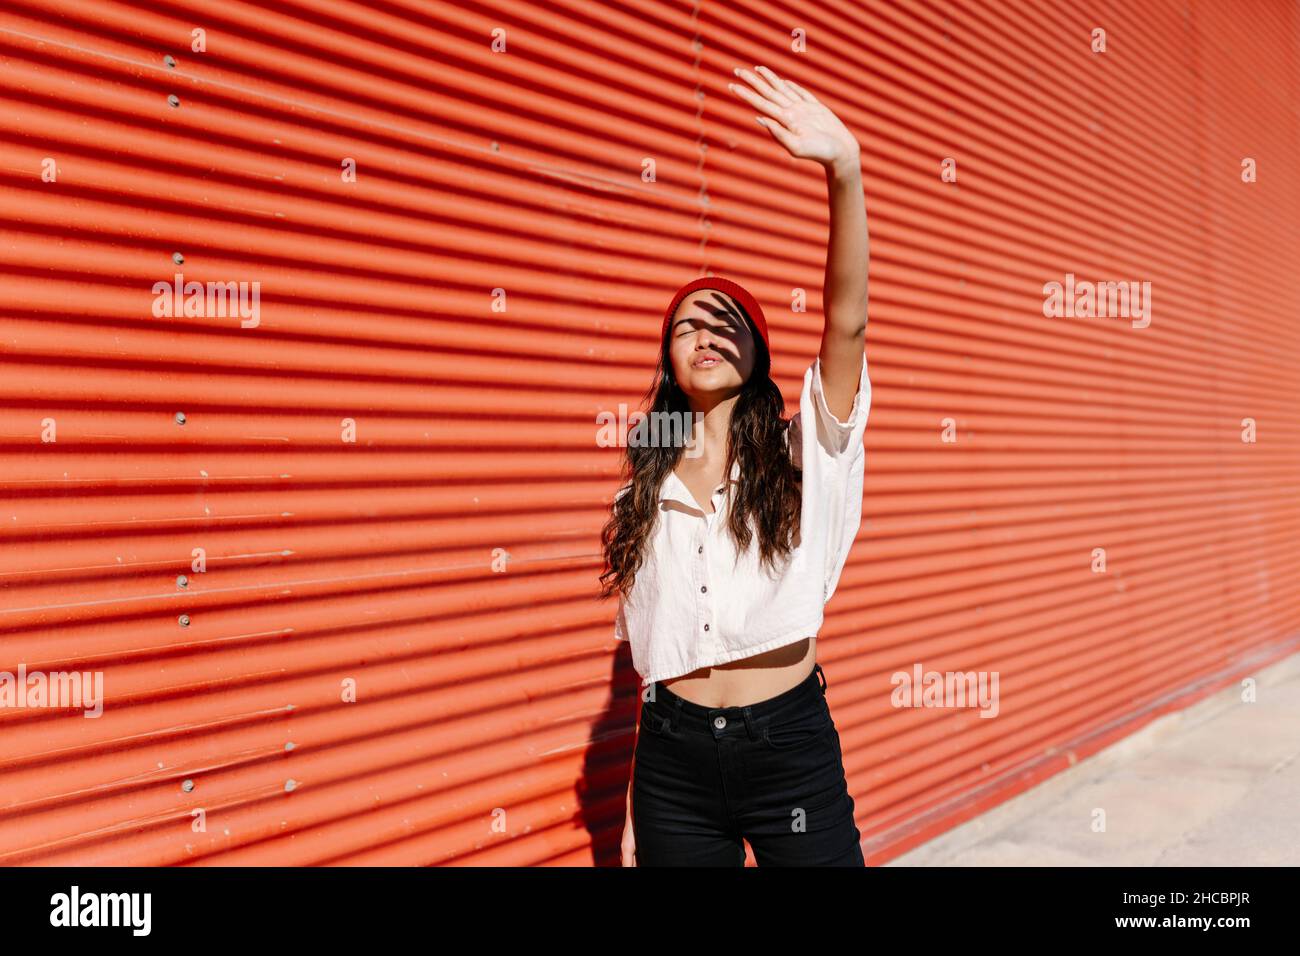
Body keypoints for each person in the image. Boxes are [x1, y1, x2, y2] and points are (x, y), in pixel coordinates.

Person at [599, 66, 871, 866]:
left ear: (756, 354)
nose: (708, 334)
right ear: (667, 359)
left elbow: (847, 322)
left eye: (728, 322)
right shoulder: (641, 490)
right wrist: (632, 809)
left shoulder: (803, 452)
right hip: (672, 768)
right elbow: (657, 659)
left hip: (787, 745)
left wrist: (843, 171)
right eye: (688, 325)